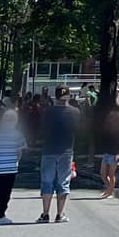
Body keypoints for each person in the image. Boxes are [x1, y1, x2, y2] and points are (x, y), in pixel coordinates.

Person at [38, 90, 79, 222]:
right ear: (69, 96)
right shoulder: (75, 112)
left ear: (55, 96)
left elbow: (42, 129)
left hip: (49, 149)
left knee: (47, 181)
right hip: (66, 150)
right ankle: (60, 214)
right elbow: (78, 129)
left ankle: (45, 214)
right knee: (63, 182)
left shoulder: (48, 111)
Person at [0, 108, 24, 224]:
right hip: (10, 167)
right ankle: (1, 214)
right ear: (15, 121)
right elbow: (19, 151)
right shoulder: (18, 135)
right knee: (6, 191)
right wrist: (17, 161)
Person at [96, 102, 119, 198]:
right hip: (107, 152)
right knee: (103, 173)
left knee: (111, 174)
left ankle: (110, 191)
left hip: (114, 153)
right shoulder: (107, 126)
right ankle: (109, 189)